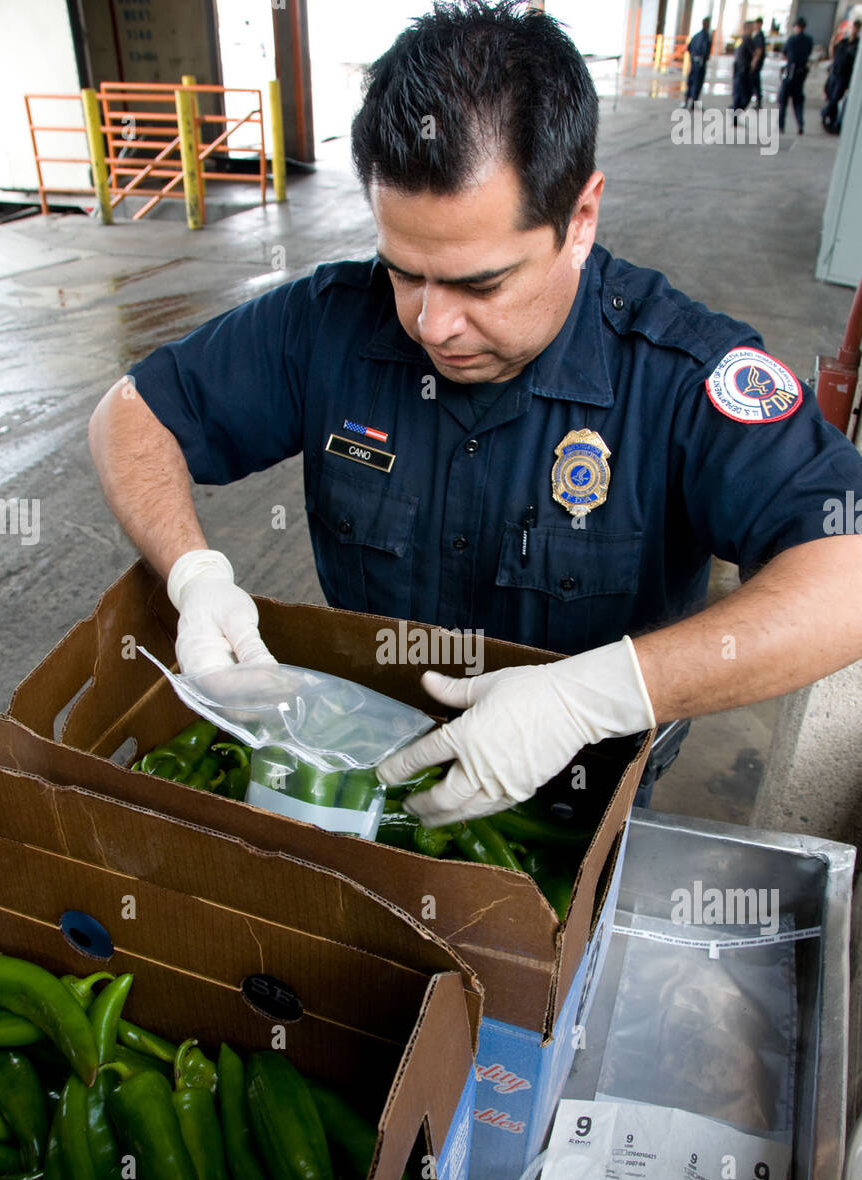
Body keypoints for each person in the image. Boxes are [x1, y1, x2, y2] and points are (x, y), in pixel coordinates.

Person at [89, 1, 862, 827]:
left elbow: (843, 574)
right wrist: (195, 576)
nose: (432, 323)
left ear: (580, 218)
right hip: (367, 757)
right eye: (404, 271)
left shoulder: (678, 372)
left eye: (480, 283)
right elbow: (131, 414)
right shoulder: (329, 324)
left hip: (577, 789)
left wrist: (590, 698)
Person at [822, 17, 861, 132]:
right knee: (830, 95)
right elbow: (833, 53)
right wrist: (834, 38)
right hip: (834, 72)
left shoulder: (857, 45)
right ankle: (832, 121)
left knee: (835, 98)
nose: (853, 30)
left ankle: (826, 114)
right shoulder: (843, 42)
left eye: (855, 28)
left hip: (844, 76)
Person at [779, 16, 814, 134]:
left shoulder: (792, 40)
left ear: (797, 27)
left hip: (790, 73)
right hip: (801, 74)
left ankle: (781, 125)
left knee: (783, 101)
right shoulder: (809, 40)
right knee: (798, 101)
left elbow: (784, 53)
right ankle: (800, 124)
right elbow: (809, 53)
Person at [684, 16, 711, 108]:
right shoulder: (706, 36)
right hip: (700, 64)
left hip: (694, 62)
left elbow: (689, 47)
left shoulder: (696, 35)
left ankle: (687, 101)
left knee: (691, 82)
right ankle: (693, 103)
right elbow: (704, 50)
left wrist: (693, 57)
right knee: (697, 82)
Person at [732, 20, 756, 120]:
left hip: (737, 69)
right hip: (744, 71)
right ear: (747, 28)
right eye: (752, 28)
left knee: (738, 95)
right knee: (747, 94)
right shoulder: (748, 40)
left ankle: (735, 117)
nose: (753, 30)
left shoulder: (740, 40)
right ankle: (735, 114)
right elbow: (755, 54)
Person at [750, 16, 766, 107]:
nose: (755, 26)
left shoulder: (759, 36)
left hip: (757, 63)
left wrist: (754, 63)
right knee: (756, 82)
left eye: (756, 24)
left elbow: (759, 51)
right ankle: (758, 102)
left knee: (754, 82)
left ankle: (758, 102)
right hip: (757, 63)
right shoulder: (758, 35)